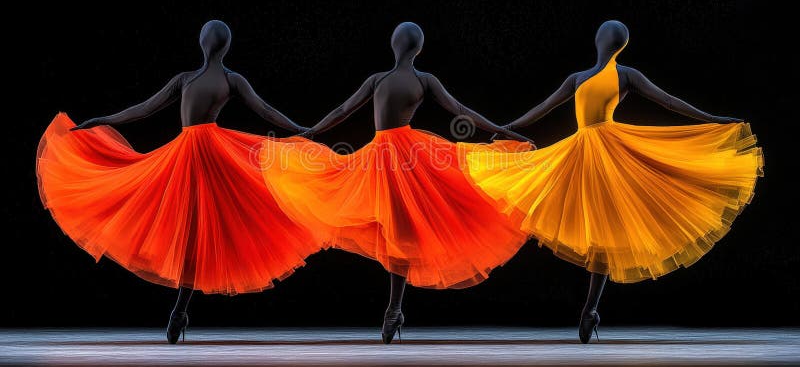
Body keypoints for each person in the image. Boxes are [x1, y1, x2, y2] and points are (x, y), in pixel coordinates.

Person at [465, 20, 763, 343]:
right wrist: (508, 127)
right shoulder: (576, 79)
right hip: (579, 152)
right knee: (576, 219)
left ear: (615, 43)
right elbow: (544, 107)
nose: (605, 36)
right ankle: (589, 309)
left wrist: (713, 120)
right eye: (606, 32)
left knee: (606, 231)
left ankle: (590, 308)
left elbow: (669, 101)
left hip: (610, 151)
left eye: (611, 34)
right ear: (599, 39)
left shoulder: (626, 75)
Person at [36, 20, 326, 344]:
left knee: (195, 231)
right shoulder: (216, 79)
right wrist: (301, 129)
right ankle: (180, 309)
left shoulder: (203, 79)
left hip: (204, 155)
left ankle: (180, 309)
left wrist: (300, 129)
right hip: (196, 155)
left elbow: (146, 109)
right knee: (197, 231)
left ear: (204, 44)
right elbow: (264, 111)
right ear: (223, 46)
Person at [258, 22, 533, 343]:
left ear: (395, 45)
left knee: (398, 228)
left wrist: (311, 131)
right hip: (398, 156)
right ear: (418, 49)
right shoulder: (417, 79)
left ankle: (394, 308)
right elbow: (459, 110)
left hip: (395, 156)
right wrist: (502, 130)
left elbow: (344, 110)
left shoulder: (384, 79)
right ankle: (394, 308)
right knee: (399, 229)